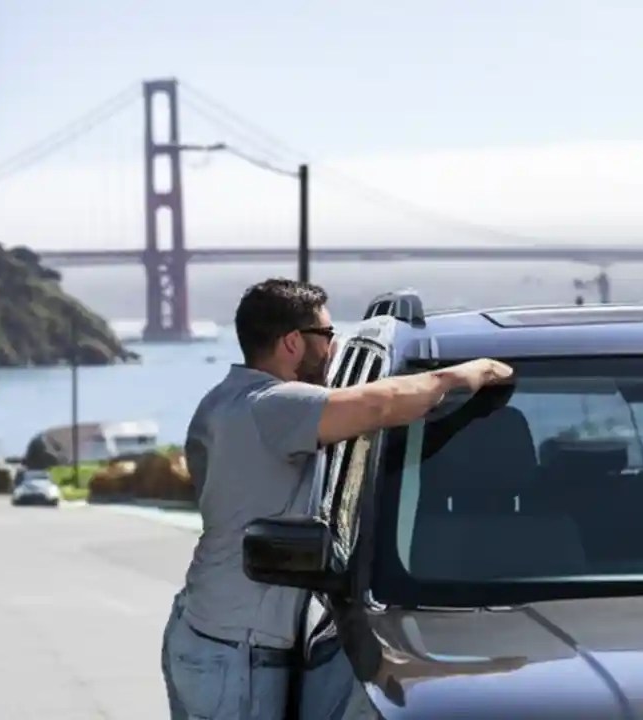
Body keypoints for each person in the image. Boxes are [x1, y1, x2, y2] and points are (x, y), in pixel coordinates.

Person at [160, 278, 512, 719]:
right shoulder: (270, 406)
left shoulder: (226, 400)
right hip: (236, 656)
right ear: (292, 342)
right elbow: (379, 406)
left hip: (212, 635)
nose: (334, 347)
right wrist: (466, 374)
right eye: (326, 336)